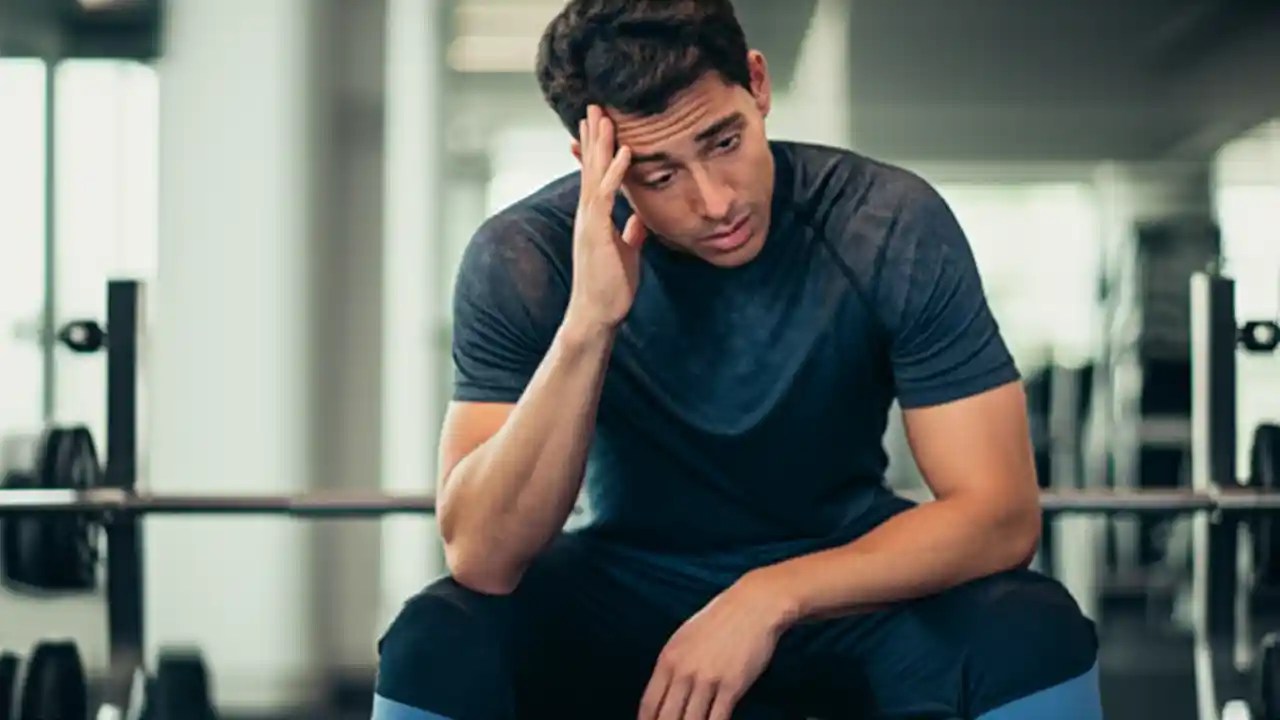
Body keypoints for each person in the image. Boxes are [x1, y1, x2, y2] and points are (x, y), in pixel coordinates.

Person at [373, 1, 1102, 718]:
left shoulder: (884, 223)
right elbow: (483, 556)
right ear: (595, 160)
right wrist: (588, 325)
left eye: (724, 142)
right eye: (659, 175)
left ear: (757, 84)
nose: (715, 202)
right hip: (623, 590)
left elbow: (1001, 516)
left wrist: (770, 594)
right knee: (437, 641)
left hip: (844, 585)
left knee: (1030, 628)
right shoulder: (525, 259)